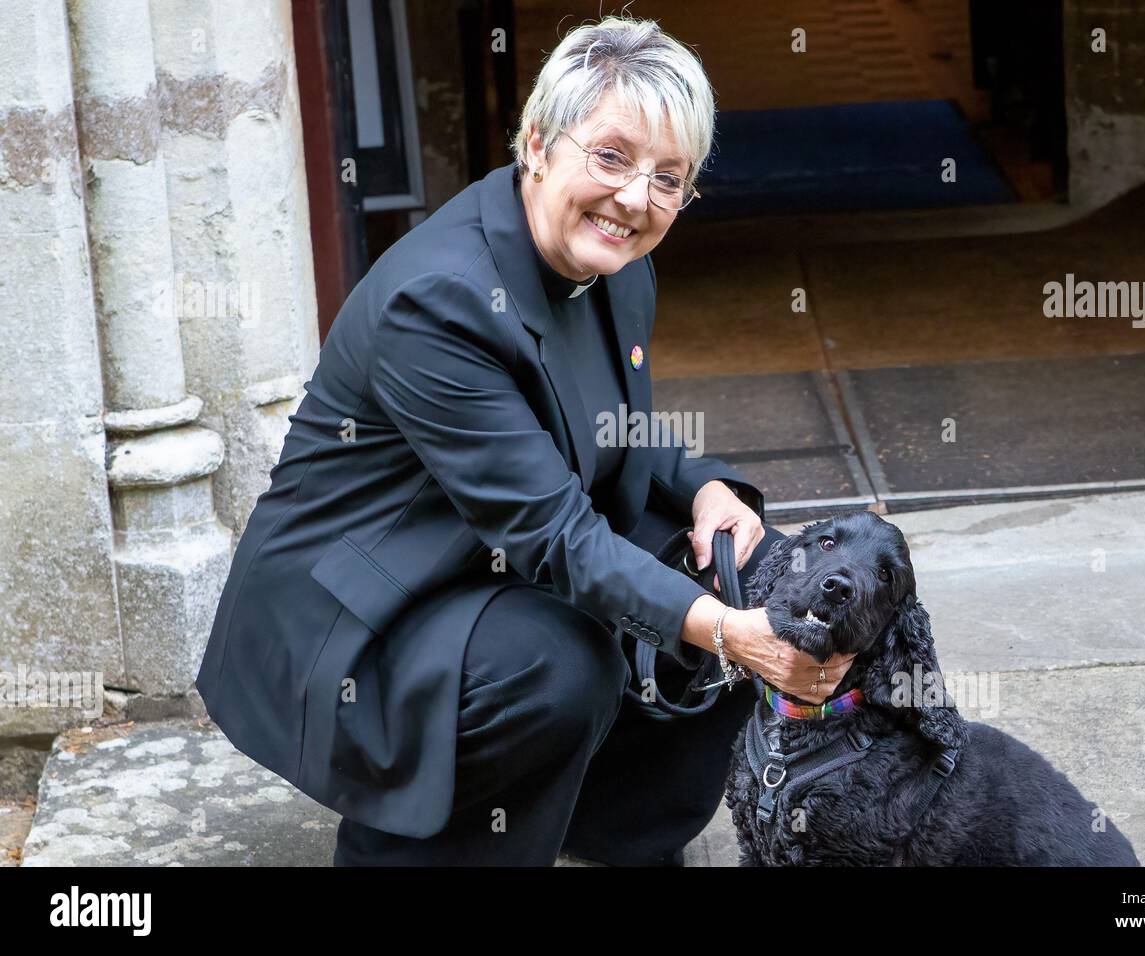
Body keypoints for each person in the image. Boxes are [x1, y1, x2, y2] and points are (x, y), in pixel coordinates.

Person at [194, 14, 853, 867]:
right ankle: (414, 852)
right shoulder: (439, 302)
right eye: (611, 157)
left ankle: (610, 831)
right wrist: (725, 631)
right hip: (362, 618)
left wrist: (704, 490)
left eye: (669, 179)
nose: (634, 198)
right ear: (537, 142)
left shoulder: (614, 260)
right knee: (563, 663)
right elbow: (553, 536)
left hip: (482, 561)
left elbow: (608, 429)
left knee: (747, 570)